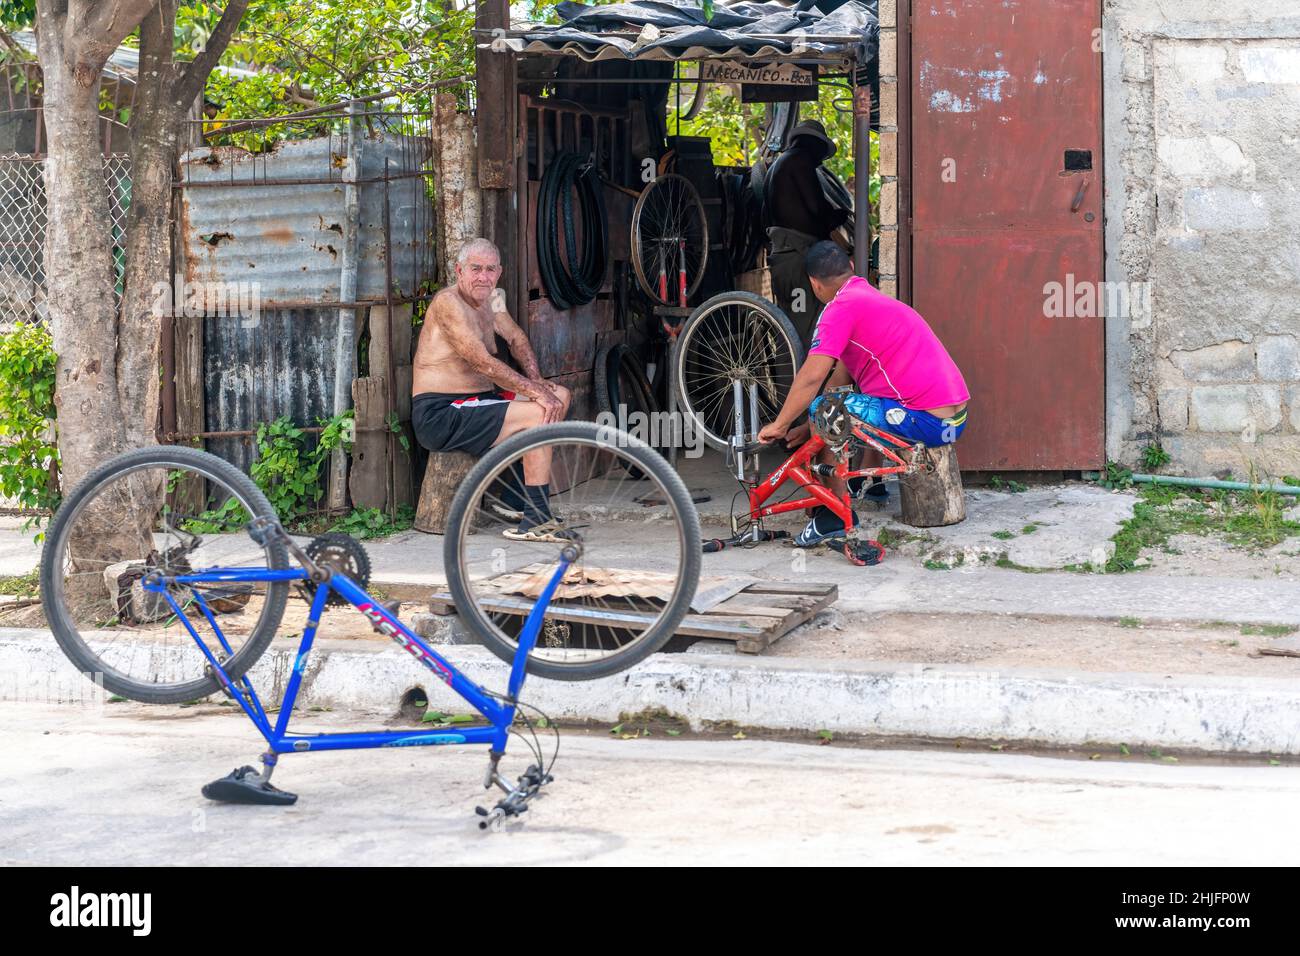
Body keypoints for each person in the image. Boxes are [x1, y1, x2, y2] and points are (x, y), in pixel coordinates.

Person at [757, 241, 971, 547]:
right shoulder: (867, 297)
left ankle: (834, 515)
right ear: (852, 269)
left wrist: (779, 425)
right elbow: (839, 379)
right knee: (831, 408)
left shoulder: (839, 309)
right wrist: (807, 428)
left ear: (814, 284)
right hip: (953, 419)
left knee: (825, 408)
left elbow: (812, 376)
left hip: (928, 422)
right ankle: (865, 486)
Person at [411, 238, 574, 542]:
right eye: (475, 269)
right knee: (541, 412)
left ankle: (514, 500)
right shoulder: (449, 303)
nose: (483, 277)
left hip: (480, 402)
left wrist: (536, 380)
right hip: (442, 412)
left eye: (489, 270)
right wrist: (535, 393)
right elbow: (483, 363)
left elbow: (515, 338)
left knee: (560, 396)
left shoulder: (492, 299)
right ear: (459, 270)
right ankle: (537, 519)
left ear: (499, 272)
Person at [765, 120, 850, 343]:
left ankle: (793, 376)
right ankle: (798, 377)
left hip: (784, 255)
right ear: (814, 145)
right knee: (801, 329)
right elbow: (817, 208)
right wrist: (837, 216)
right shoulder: (800, 159)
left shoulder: (778, 165)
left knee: (791, 326)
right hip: (797, 254)